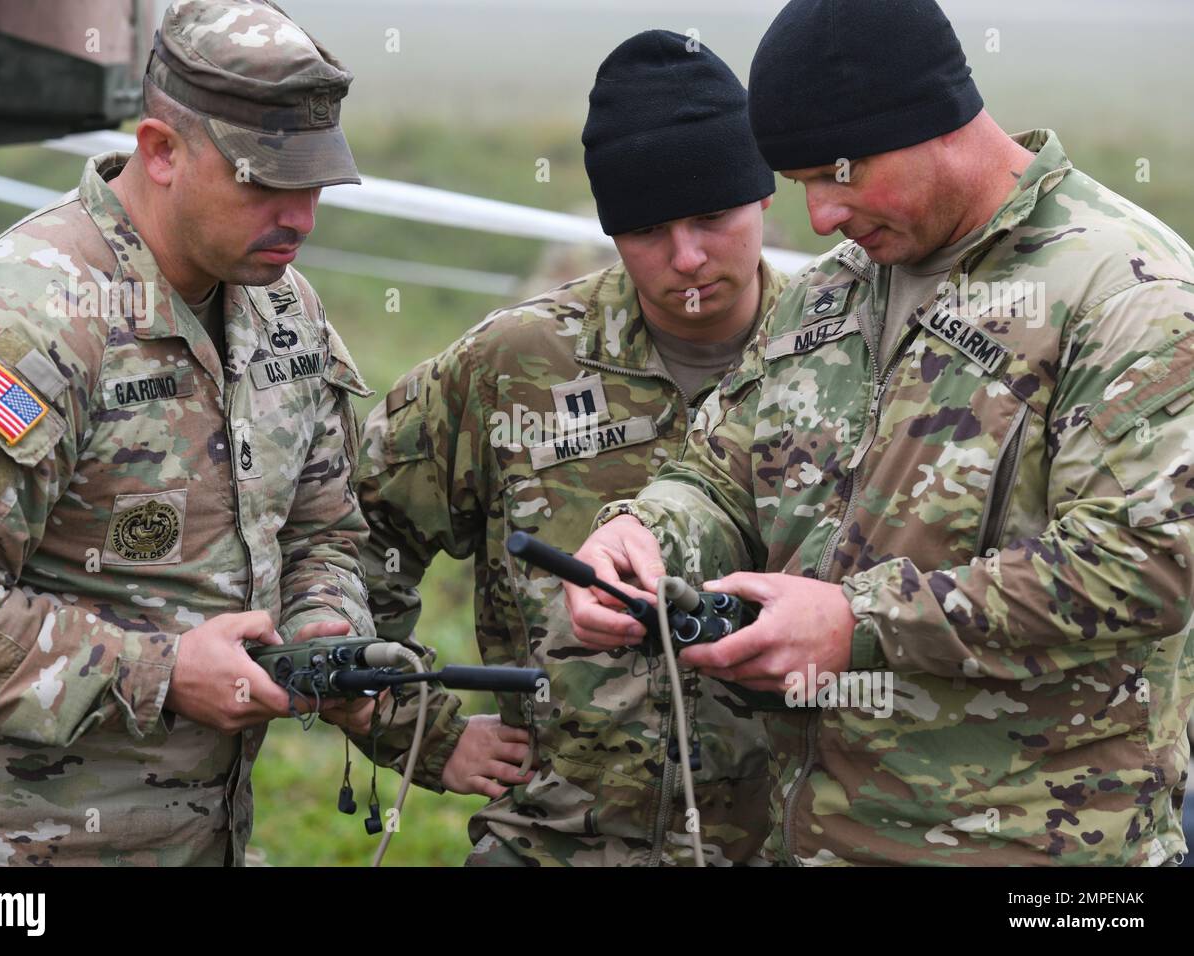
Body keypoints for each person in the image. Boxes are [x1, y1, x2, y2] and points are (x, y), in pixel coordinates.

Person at [567, 0, 1194, 866]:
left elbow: (1151, 560)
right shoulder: (834, 290)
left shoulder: (1127, 291)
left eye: (838, 175)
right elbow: (721, 470)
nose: (821, 218)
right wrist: (642, 532)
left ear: (933, 123)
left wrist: (858, 621)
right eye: (799, 186)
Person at [0, 0, 376, 866]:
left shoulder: (281, 308)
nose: (300, 217)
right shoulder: (24, 326)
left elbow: (323, 526)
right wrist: (157, 672)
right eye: (264, 181)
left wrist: (323, 624)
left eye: (314, 181)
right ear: (160, 151)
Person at [356, 31, 786, 866]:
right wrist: (418, 722)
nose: (688, 256)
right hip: (555, 844)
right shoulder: (518, 364)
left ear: (765, 196)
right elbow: (343, 530)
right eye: (650, 228)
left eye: (713, 216)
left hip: (780, 845)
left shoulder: (840, 356)